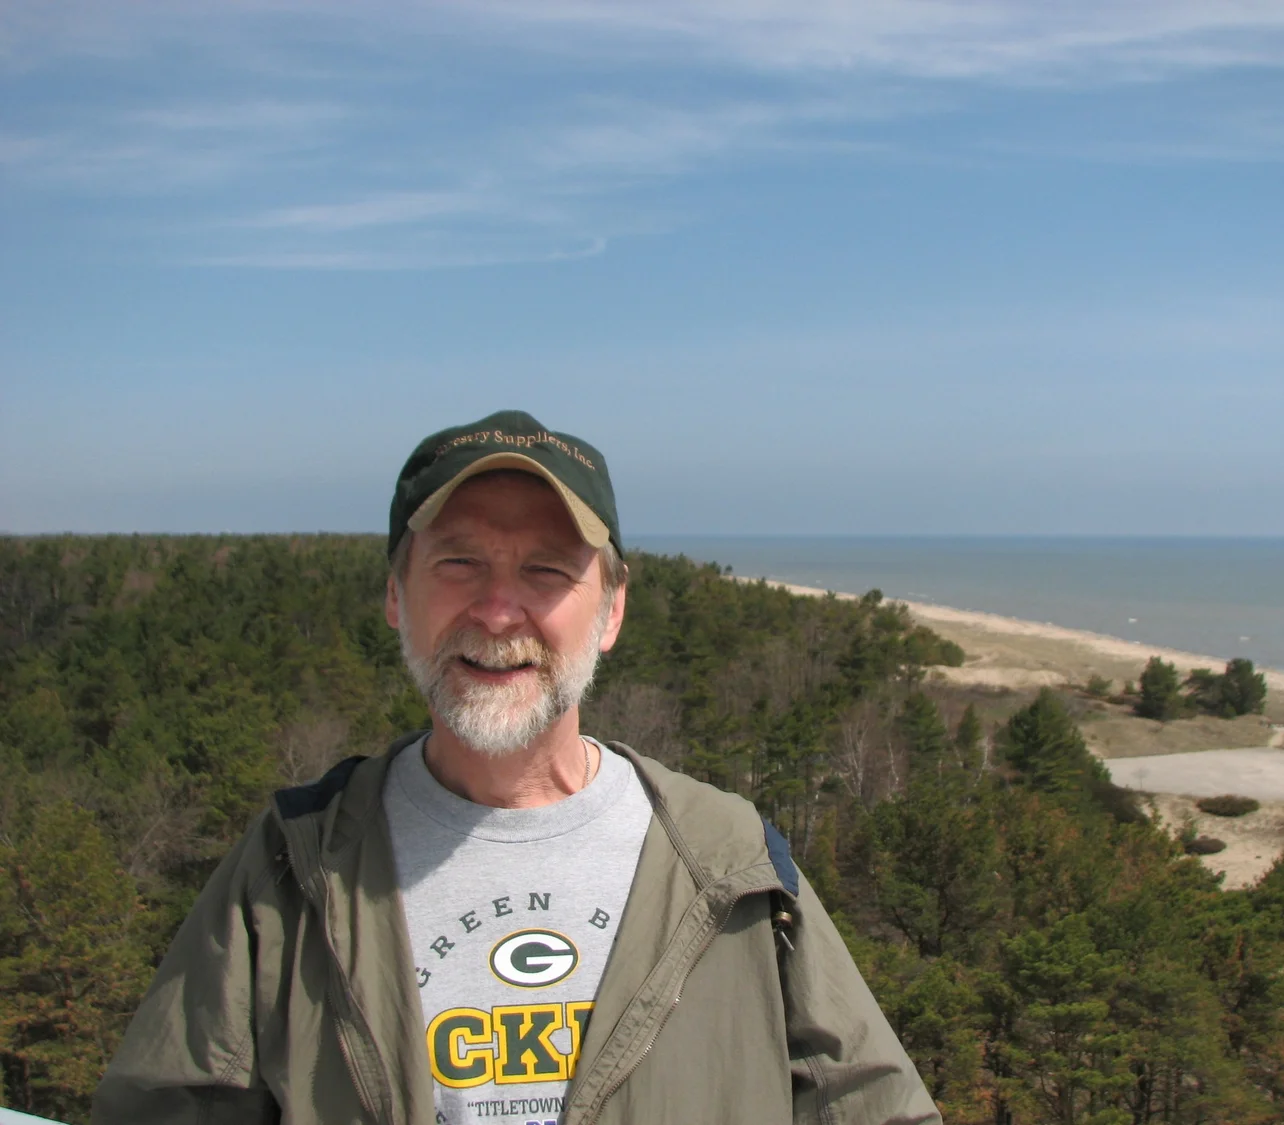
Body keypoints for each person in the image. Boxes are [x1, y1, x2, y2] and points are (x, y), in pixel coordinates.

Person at [93, 409, 940, 1125]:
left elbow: (874, 1103)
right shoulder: (296, 863)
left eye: (545, 570)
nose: (499, 611)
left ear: (611, 609)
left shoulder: (731, 861)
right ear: (396, 594)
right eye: (459, 562)